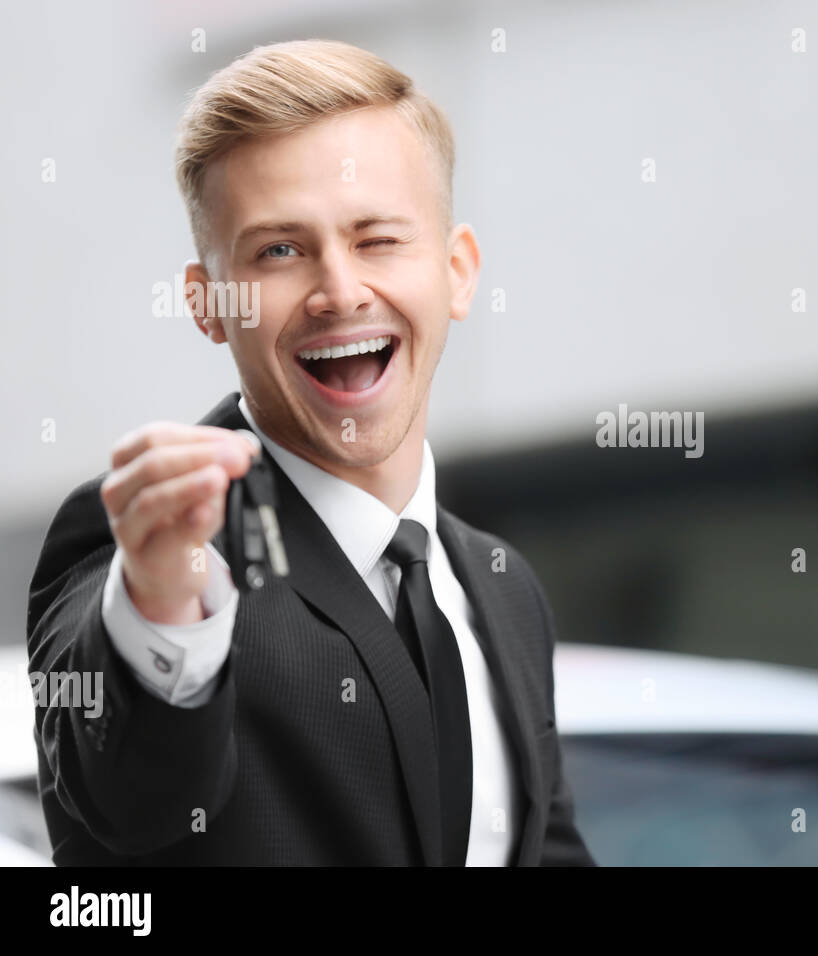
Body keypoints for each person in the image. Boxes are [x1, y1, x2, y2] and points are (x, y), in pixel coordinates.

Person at [26, 39, 595, 866]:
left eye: (378, 240)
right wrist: (160, 607)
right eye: (279, 252)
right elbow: (134, 805)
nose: (339, 291)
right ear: (208, 303)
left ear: (458, 271)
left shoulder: (505, 591)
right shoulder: (149, 550)